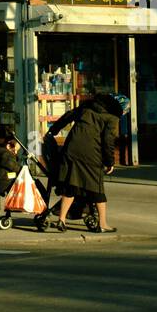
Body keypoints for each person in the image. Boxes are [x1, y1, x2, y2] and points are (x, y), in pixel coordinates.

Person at [39, 93, 129, 233]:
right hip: (91, 154)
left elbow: (68, 116)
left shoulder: (88, 107)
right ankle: (103, 223)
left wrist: (53, 130)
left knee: (71, 186)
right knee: (97, 189)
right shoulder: (112, 117)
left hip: (71, 149)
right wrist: (109, 162)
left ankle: (61, 220)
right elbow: (108, 141)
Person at [0, 130, 20, 226]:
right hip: (6, 181)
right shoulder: (5, 155)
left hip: (6, 179)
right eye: (15, 150)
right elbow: (14, 166)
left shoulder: (3, 153)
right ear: (8, 146)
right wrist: (22, 170)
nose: (16, 152)